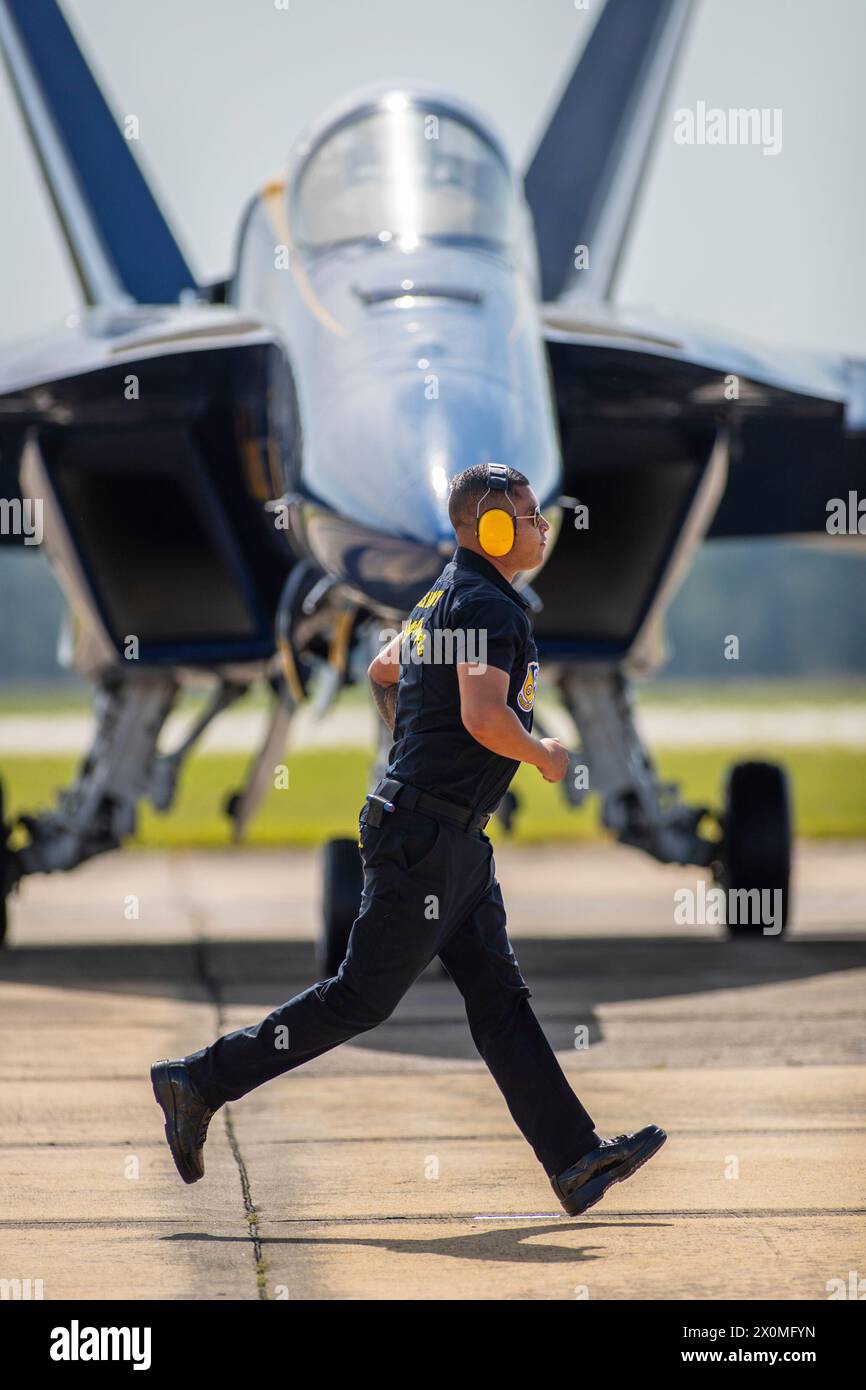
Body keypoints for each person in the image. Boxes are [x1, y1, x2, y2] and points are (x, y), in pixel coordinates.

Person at [151, 463, 666, 1216]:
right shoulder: (491, 607)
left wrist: (420, 749)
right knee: (359, 999)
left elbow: (383, 669)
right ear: (492, 529)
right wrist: (545, 753)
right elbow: (487, 719)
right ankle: (198, 1081)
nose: (542, 527)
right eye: (528, 516)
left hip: (446, 835)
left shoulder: (444, 595)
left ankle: (574, 1160)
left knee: (500, 1000)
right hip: (428, 839)